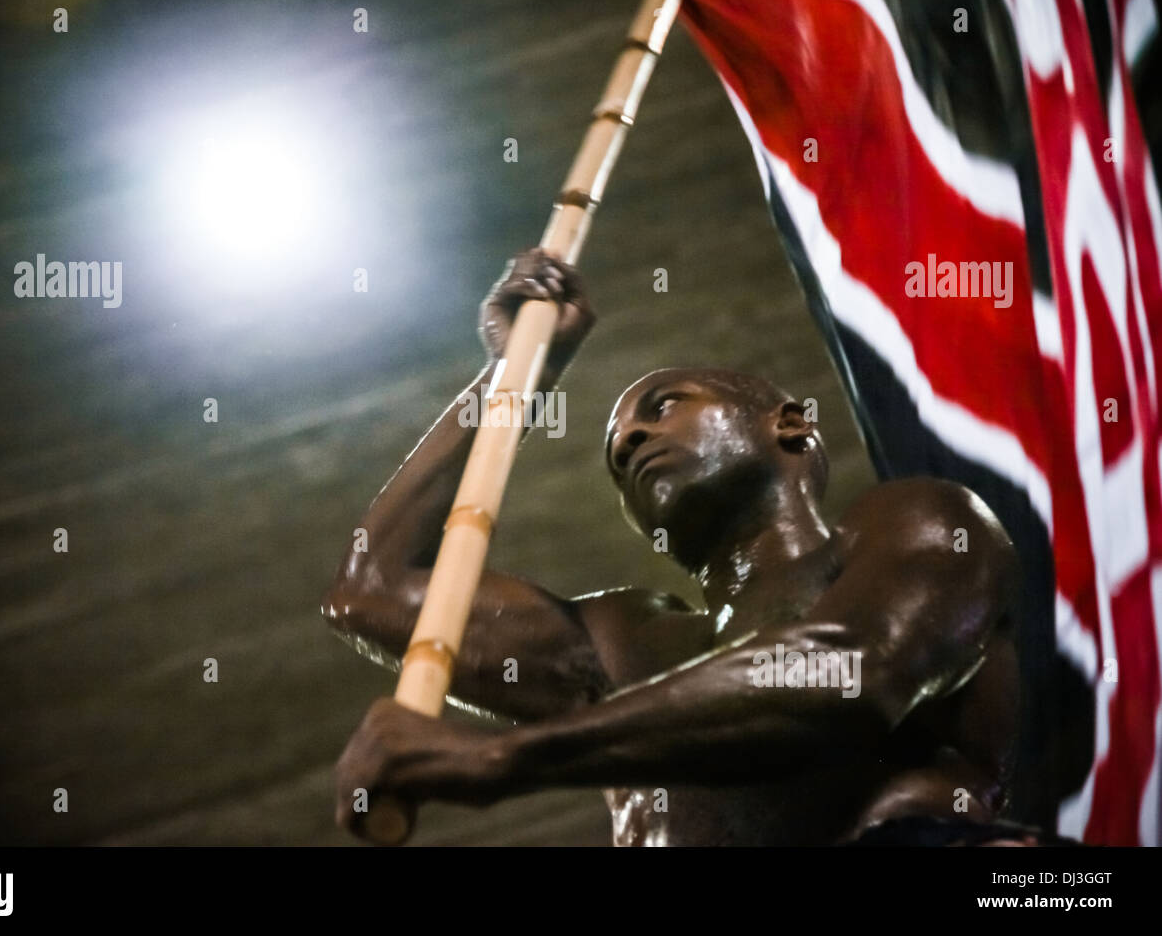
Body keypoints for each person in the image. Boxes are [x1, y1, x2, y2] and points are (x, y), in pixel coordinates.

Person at [322, 248, 1027, 845]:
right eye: (615, 450)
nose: (629, 439)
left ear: (790, 427)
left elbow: (854, 674)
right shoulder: (619, 646)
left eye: (664, 406)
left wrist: (504, 758)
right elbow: (375, 587)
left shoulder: (919, 523)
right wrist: (515, 377)